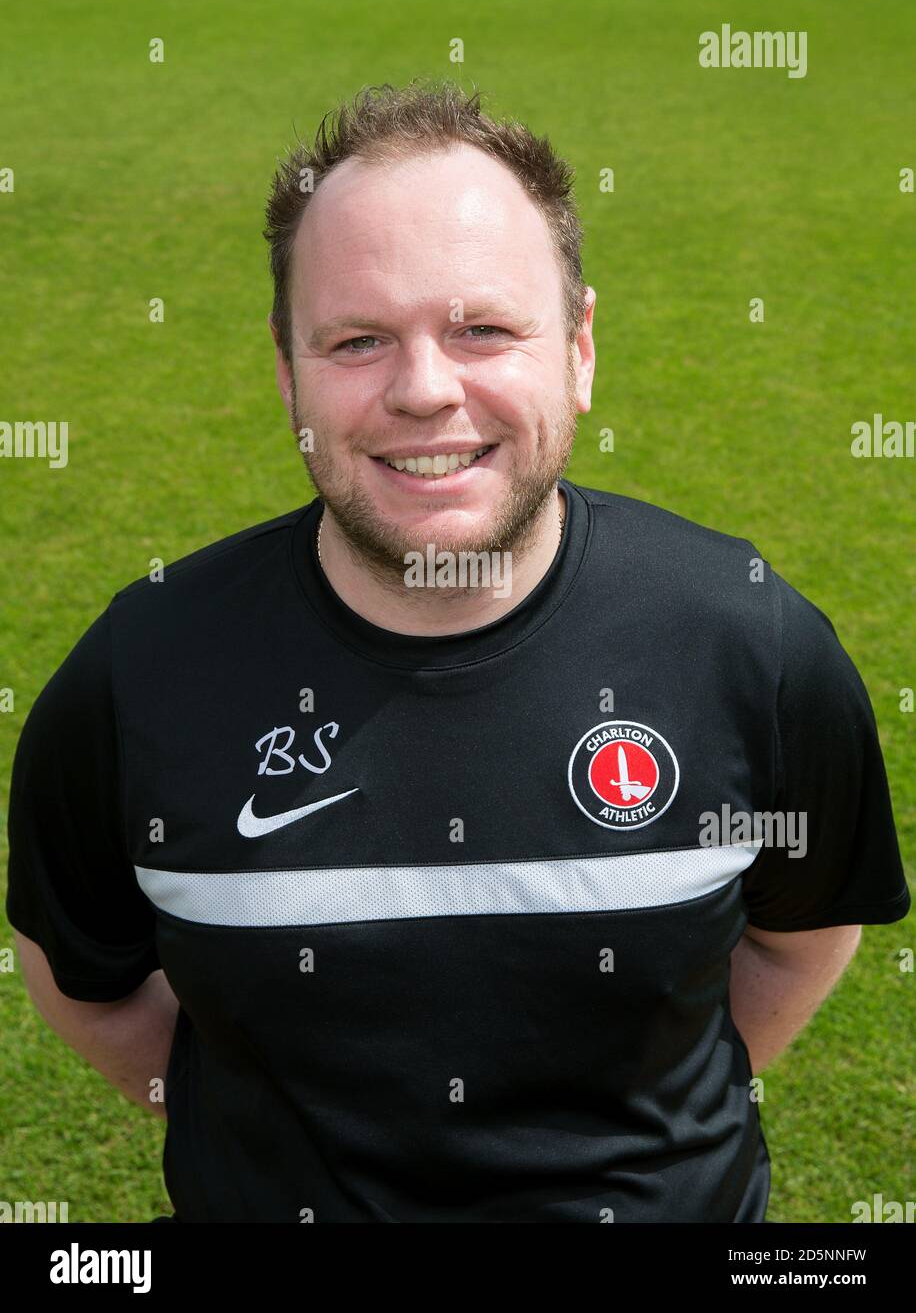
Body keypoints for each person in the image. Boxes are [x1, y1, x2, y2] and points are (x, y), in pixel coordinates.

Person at [5, 80, 909, 1224]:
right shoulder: (134, 678)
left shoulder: (753, 644)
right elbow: (84, 985)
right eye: (356, 339)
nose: (425, 390)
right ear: (287, 372)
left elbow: (799, 938)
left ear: (578, 349)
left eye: (482, 327)